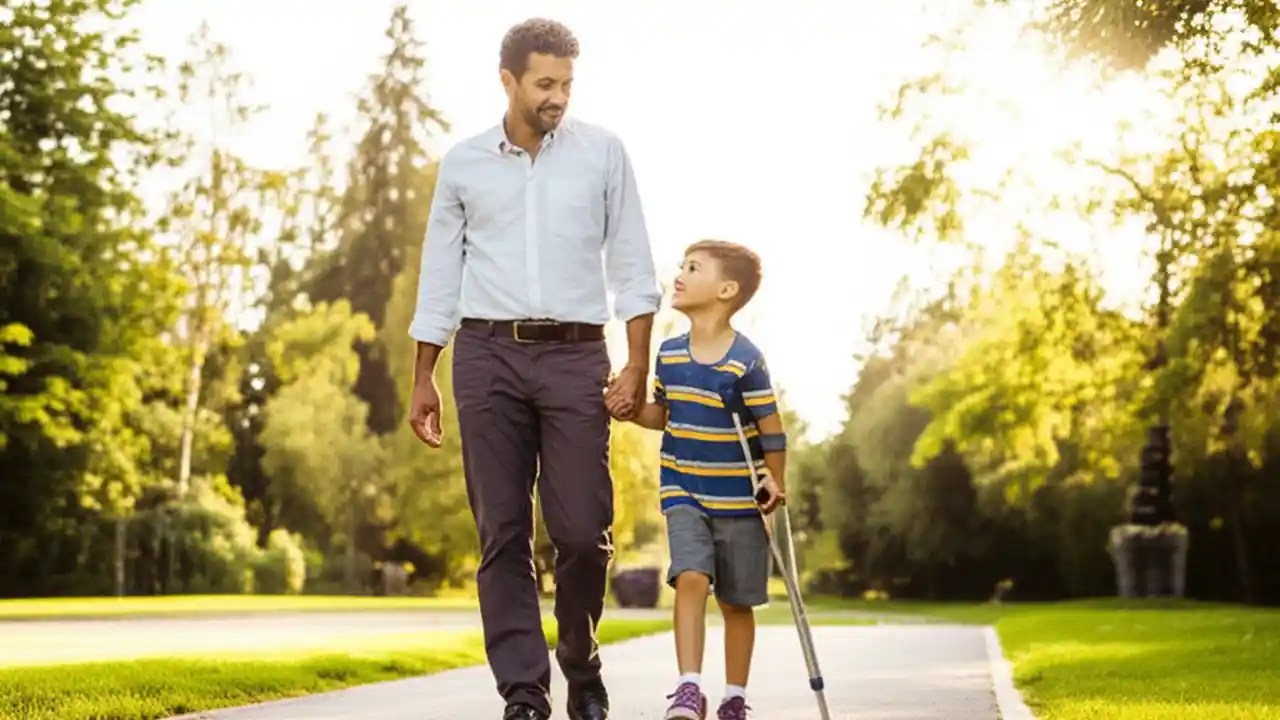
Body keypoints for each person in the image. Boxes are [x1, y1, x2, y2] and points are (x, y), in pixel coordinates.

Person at [405, 17, 661, 720]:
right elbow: (439, 275)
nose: (558, 96)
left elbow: (634, 265)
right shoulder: (463, 164)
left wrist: (636, 363)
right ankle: (524, 693)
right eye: (545, 84)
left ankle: (579, 658)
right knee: (503, 532)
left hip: (579, 355)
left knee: (582, 531)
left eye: (567, 84)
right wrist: (423, 375)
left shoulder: (603, 154)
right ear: (509, 81)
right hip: (486, 356)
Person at [608, 240, 788, 720]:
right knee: (689, 576)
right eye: (681, 266)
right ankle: (689, 687)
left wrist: (774, 480)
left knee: (735, 602)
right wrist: (629, 412)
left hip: (739, 499)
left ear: (726, 289)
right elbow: (663, 415)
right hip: (683, 488)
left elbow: (773, 432)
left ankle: (733, 696)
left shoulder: (746, 361)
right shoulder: (668, 354)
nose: (679, 275)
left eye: (693, 268)